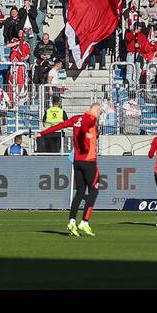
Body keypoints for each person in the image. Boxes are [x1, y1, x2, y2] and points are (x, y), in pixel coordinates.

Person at [37, 102, 102, 237]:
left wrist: (42, 133)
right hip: (88, 161)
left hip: (77, 161)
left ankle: (72, 221)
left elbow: (60, 125)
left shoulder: (76, 118)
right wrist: (85, 136)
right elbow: (85, 127)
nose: (99, 114)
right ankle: (84, 221)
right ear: (94, 110)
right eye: (99, 112)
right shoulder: (90, 119)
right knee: (94, 190)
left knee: (79, 192)